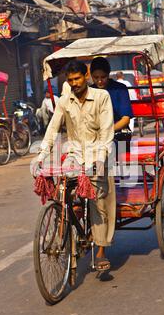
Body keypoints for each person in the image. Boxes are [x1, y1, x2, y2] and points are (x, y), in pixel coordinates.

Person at [33, 60, 115, 272]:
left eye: (77, 79)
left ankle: (101, 250)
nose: (74, 83)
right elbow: (53, 129)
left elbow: (106, 132)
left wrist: (100, 160)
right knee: (61, 191)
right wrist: (41, 154)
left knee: (98, 202)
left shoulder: (101, 97)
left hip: (98, 155)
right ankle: (67, 228)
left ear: (86, 76)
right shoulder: (64, 101)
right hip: (75, 155)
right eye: (70, 80)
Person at [90, 57, 133, 132]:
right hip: (96, 136)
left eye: (103, 77)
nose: (99, 81)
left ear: (108, 74)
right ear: (90, 75)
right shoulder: (89, 91)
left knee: (122, 143)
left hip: (119, 134)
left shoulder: (120, 89)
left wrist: (107, 132)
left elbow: (126, 119)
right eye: (96, 77)